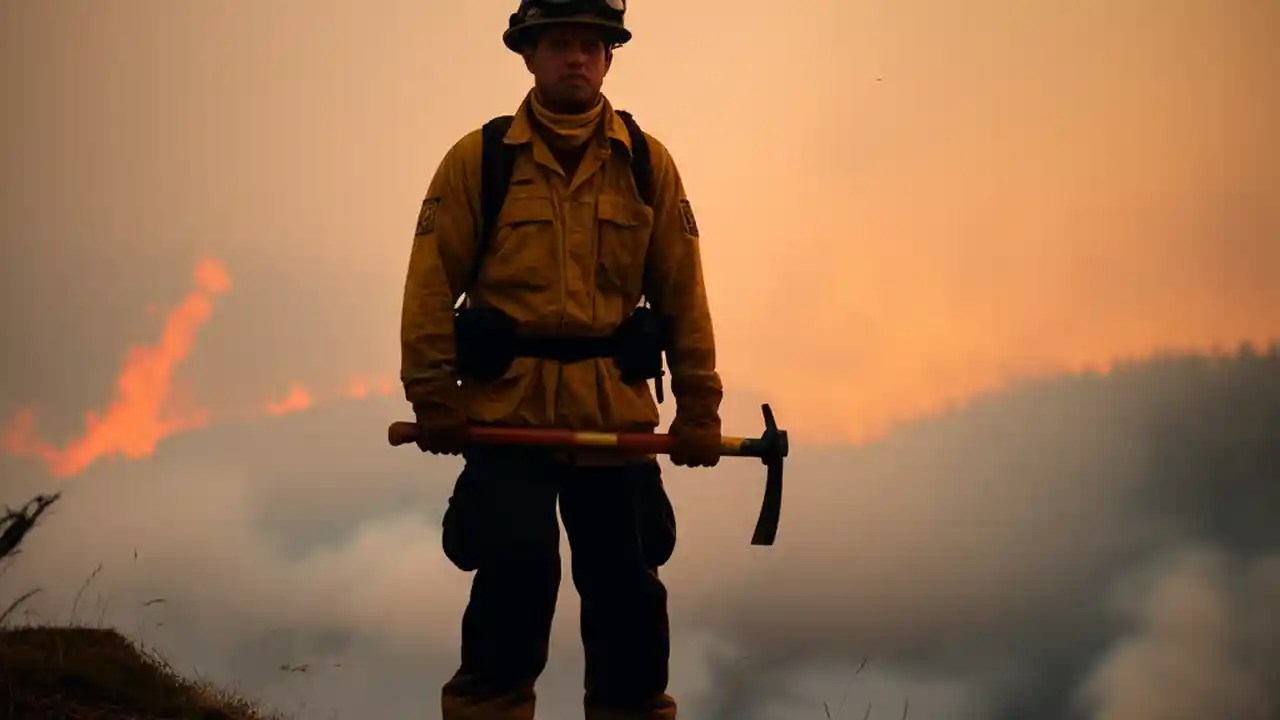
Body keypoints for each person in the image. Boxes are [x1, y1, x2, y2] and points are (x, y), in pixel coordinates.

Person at [399, 1, 723, 717]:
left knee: (629, 595)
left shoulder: (645, 162)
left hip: (616, 419)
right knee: (513, 583)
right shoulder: (478, 160)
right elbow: (429, 284)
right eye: (558, 44)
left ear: (609, 58)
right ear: (528, 55)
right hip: (505, 416)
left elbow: (682, 291)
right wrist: (432, 394)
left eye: (590, 45)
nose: (575, 57)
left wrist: (700, 406)